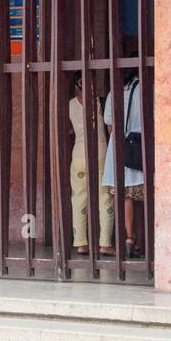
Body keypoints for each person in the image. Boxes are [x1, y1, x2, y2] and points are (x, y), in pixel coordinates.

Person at [68, 75, 114, 256]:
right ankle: (105, 243)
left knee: (79, 198)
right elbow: (109, 126)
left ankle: (81, 243)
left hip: (78, 154)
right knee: (105, 197)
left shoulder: (70, 104)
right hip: (100, 153)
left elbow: (70, 129)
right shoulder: (100, 102)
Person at [103, 72, 145, 259]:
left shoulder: (115, 92)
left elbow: (109, 123)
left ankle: (130, 237)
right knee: (147, 192)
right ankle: (147, 241)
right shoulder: (145, 89)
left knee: (127, 195)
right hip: (140, 144)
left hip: (119, 146)